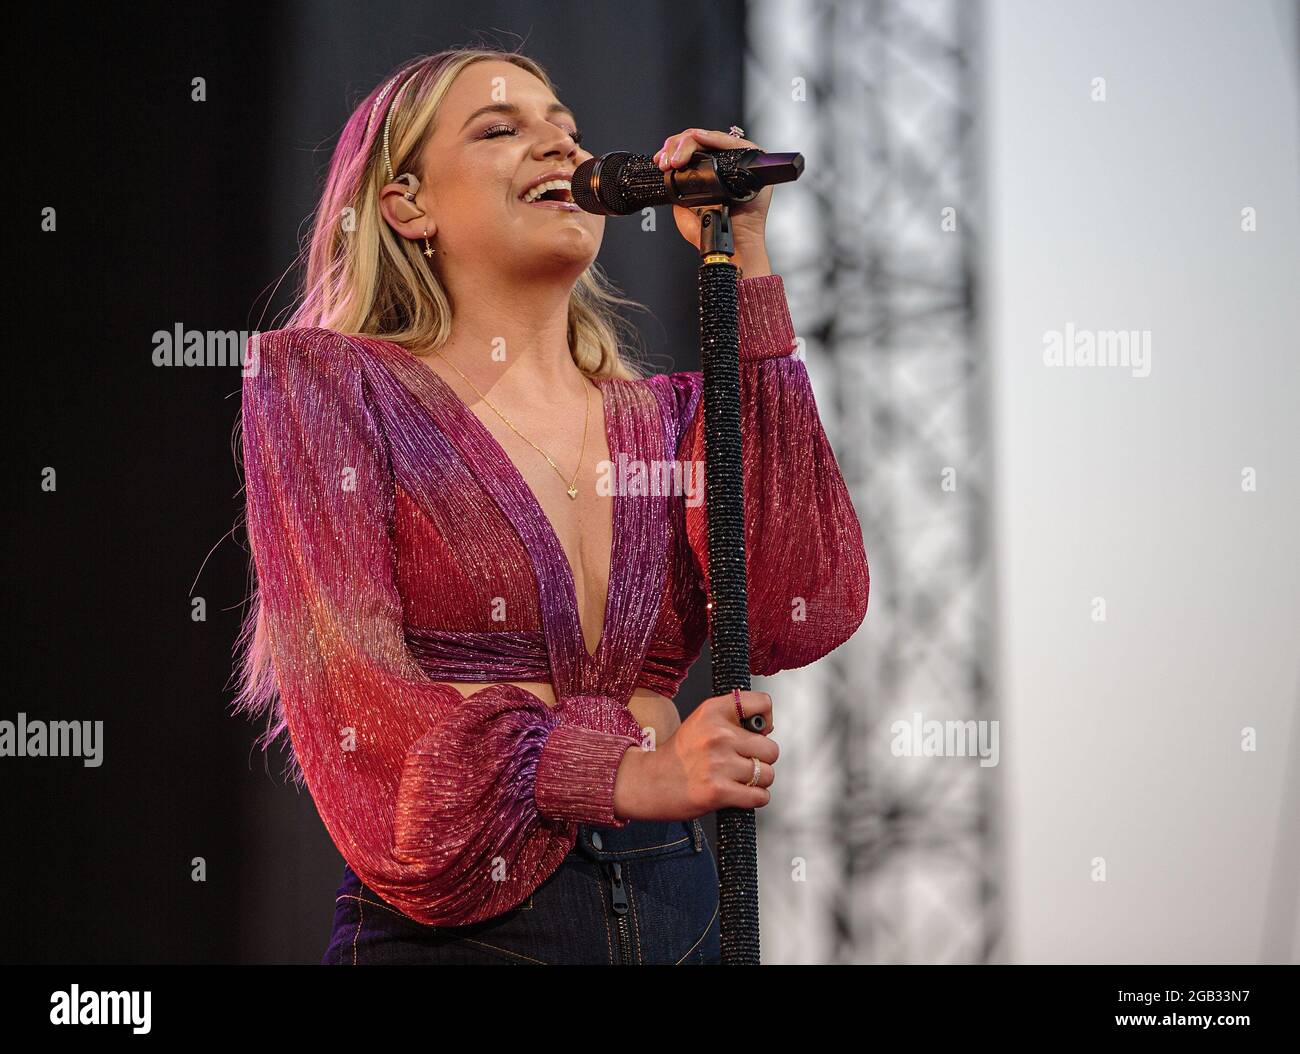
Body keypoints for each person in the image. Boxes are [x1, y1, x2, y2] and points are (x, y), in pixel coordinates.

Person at [232, 46, 869, 965]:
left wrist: (750, 260)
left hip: (681, 898)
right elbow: (353, 699)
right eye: (502, 129)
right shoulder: (325, 386)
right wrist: (627, 770)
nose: (558, 150)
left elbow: (799, 607)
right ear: (408, 204)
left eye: (567, 133)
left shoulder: (678, 418)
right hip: (463, 919)